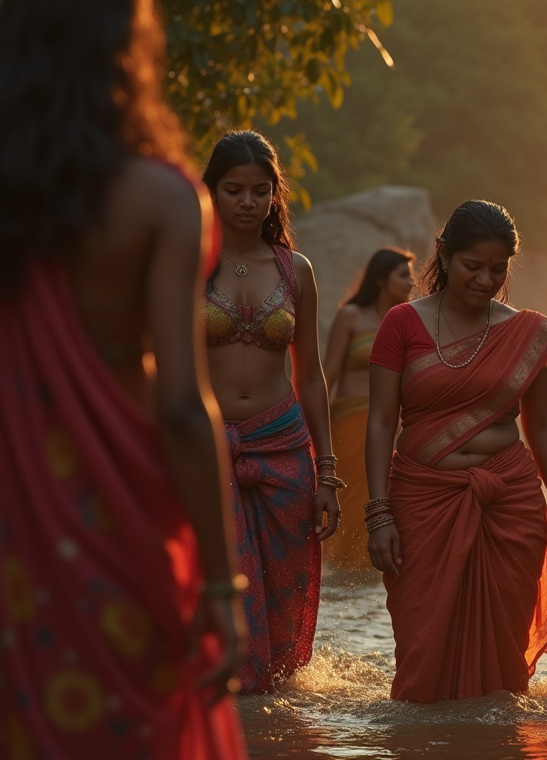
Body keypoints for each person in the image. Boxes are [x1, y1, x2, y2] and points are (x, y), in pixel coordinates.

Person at [0, 0, 246, 755]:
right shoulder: (162, 197)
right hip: (111, 521)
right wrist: (218, 585)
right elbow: (179, 405)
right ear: (125, 46)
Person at [365, 200, 547, 703]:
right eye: (473, 266)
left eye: (498, 268)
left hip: (509, 502)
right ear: (443, 254)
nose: (486, 280)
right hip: (423, 498)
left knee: (501, 676)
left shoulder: (525, 332)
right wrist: (378, 514)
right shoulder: (402, 323)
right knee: (422, 650)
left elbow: (542, 426)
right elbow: (379, 422)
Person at [202, 129, 339, 693]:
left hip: (283, 446)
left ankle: (271, 719)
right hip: (207, 445)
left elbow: (309, 373)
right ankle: (220, 695)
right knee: (212, 578)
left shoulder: (294, 269)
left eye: (260, 190)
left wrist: (327, 470)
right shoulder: (188, 265)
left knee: (285, 589)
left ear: (274, 195)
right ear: (211, 192)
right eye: (233, 189)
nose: (247, 202)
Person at [322, 247, 415, 572]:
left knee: (386, 499)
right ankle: (338, 572)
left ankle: (371, 573)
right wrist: (309, 429)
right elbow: (328, 374)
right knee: (350, 500)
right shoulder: (351, 316)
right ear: (380, 279)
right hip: (349, 423)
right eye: (403, 275)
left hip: (392, 426)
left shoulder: (407, 320)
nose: (412, 282)